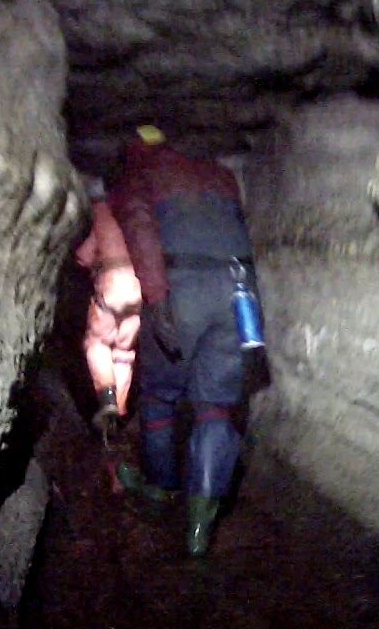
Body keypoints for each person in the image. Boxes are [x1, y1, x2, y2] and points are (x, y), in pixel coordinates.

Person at [109, 124, 261, 557]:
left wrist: (157, 298)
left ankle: (160, 488)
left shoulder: (140, 173)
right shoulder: (220, 174)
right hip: (238, 293)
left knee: (159, 396)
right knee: (216, 407)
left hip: (183, 288)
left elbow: (140, 229)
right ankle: (199, 528)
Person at [73, 175, 142, 434]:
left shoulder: (101, 216)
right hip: (138, 290)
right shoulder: (133, 212)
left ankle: (108, 399)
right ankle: (118, 414)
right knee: (124, 352)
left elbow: (84, 257)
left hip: (112, 289)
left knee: (97, 343)